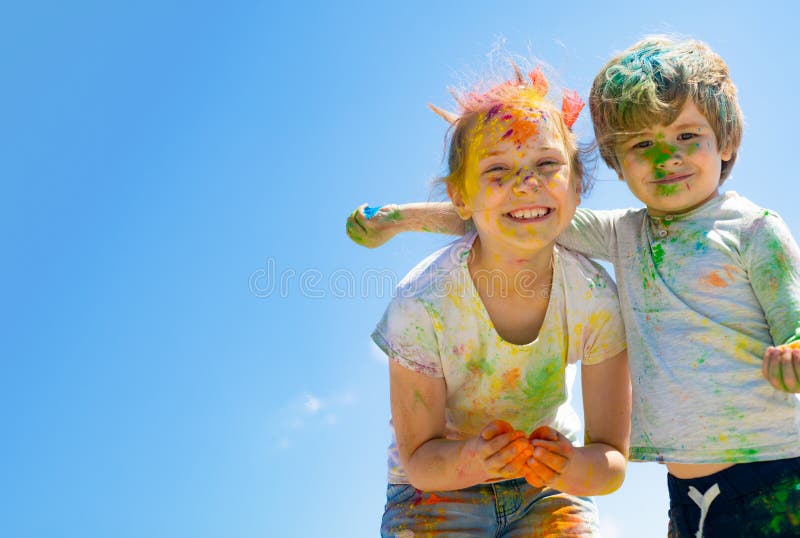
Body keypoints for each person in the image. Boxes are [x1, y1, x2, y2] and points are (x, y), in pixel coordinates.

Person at [347, 36, 800, 537]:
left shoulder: (742, 234)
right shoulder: (619, 236)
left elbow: (795, 323)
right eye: (643, 144)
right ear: (616, 160)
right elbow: (501, 217)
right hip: (672, 489)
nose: (667, 156)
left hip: (765, 469)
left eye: (688, 135)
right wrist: (399, 218)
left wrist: (795, 352)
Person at [369, 64, 631, 537]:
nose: (526, 183)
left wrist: (568, 468)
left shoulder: (594, 298)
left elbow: (611, 459)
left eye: (547, 164)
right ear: (459, 197)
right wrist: (472, 459)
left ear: (576, 186)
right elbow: (420, 459)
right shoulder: (422, 302)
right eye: (497, 169)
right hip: (433, 491)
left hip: (548, 493)